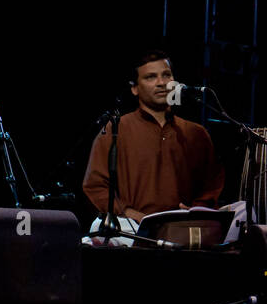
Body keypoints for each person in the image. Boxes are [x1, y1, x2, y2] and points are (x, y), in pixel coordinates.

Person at [82, 50, 223, 225]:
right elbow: (95, 185)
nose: (161, 83)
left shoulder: (196, 133)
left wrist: (195, 212)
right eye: (150, 77)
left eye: (166, 75)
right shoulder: (116, 129)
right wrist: (128, 212)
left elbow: (211, 186)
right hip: (131, 229)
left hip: (184, 230)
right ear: (134, 88)